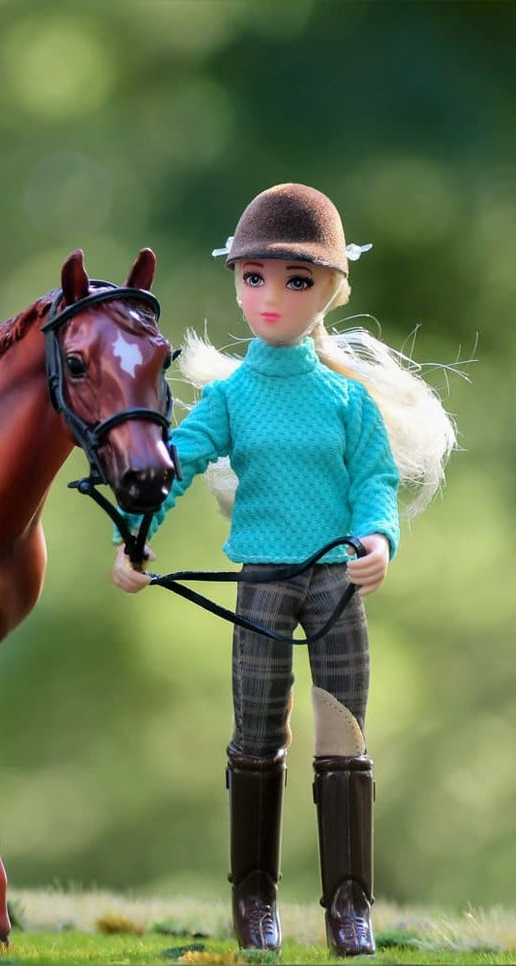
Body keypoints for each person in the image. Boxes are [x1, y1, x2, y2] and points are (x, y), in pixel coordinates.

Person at [111, 184, 456, 956]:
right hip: (262, 583)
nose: (269, 296)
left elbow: (372, 481)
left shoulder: (346, 399)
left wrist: (377, 539)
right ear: (235, 281)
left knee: (344, 741)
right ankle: (254, 902)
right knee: (256, 738)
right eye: (253, 277)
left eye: (296, 280)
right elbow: (176, 462)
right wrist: (136, 537)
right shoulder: (231, 399)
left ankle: (348, 906)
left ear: (331, 289)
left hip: (335, 584)